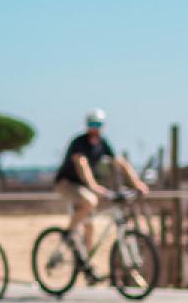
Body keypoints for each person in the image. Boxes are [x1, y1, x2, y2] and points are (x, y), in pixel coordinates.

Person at [53, 109, 149, 277]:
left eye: (98, 125)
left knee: (89, 227)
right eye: (92, 124)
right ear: (87, 125)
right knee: (90, 201)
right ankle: (68, 232)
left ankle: (86, 265)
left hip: (84, 187)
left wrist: (137, 183)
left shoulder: (102, 144)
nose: (95, 128)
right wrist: (94, 186)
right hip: (67, 183)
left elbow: (119, 162)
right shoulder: (79, 142)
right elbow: (82, 165)